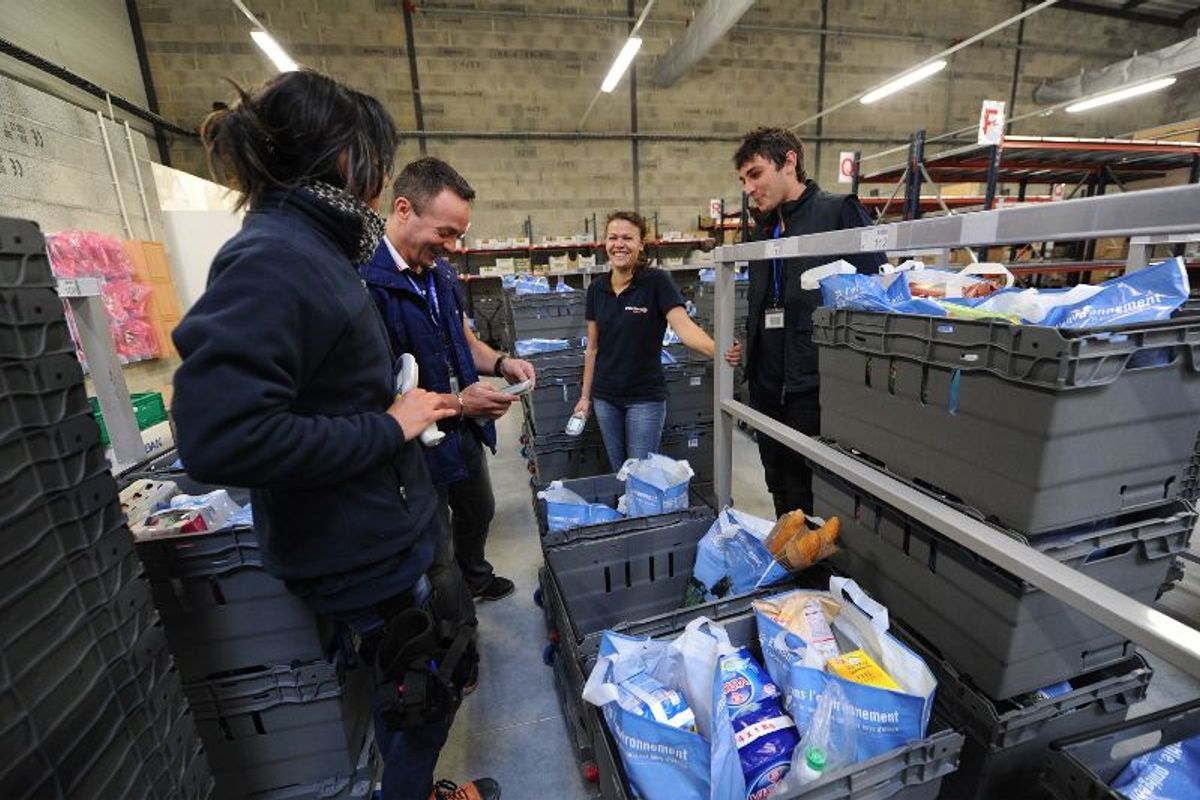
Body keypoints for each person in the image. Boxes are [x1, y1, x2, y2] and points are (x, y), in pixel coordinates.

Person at [169, 71, 499, 800]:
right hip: (362, 552)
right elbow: (217, 436)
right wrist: (387, 426)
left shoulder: (317, 250)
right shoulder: (277, 258)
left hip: (379, 531)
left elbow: (316, 392)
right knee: (419, 699)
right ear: (347, 159)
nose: (379, 181)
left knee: (415, 689)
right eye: (376, 160)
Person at [361, 157, 532, 604]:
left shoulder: (440, 274)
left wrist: (501, 363)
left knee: (479, 509)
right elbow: (378, 389)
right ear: (403, 209)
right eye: (444, 233)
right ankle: (459, 635)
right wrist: (460, 402)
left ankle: (475, 576)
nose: (453, 246)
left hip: (461, 426)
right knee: (436, 546)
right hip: (413, 444)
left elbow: (464, 339)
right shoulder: (366, 285)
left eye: (459, 235)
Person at [724, 126, 885, 518]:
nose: (749, 187)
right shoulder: (766, 228)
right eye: (744, 179)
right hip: (766, 385)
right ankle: (794, 564)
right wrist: (754, 340)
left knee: (816, 493)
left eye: (756, 174)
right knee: (778, 483)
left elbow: (877, 295)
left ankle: (820, 574)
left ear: (790, 161)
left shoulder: (837, 211)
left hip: (814, 386)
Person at [575, 211, 715, 471]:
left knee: (641, 473)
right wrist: (585, 397)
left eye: (628, 238)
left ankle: (641, 511)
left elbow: (684, 328)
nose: (619, 244)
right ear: (604, 243)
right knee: (620, 470)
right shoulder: (596, 289)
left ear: (641, 244)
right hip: (606, 397)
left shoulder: (656, 282)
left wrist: (719, 351)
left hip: (644, 398)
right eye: (613, 237)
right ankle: (631, 512)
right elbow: (592, 348)